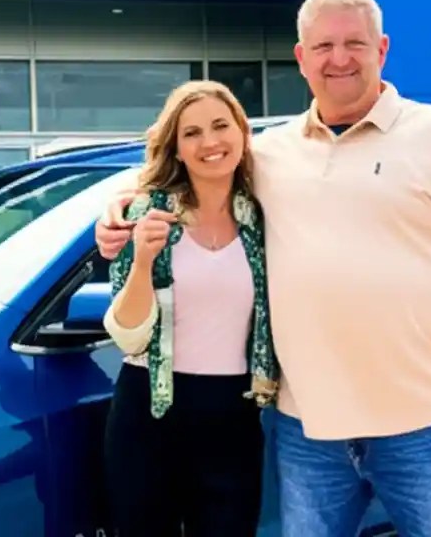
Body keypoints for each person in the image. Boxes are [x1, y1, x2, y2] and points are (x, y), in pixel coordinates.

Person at [96, 0, 431, 536]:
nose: (339, 58)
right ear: (301, 58)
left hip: (429, 426)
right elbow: (194, 172)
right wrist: (119, 210)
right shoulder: (268, 153)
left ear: (382, 49)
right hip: (307, 432)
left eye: (355, 43)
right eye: (324, 46)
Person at [100, 79, 279, 537]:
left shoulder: (265, 214)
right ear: (176, 149)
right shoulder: (147, 214)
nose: (209, 142)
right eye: (192, 133)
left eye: (220, 126)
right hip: (150, 407)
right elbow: (127, 335)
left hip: (233, 412)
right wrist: (143, 260)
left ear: (242, 132)